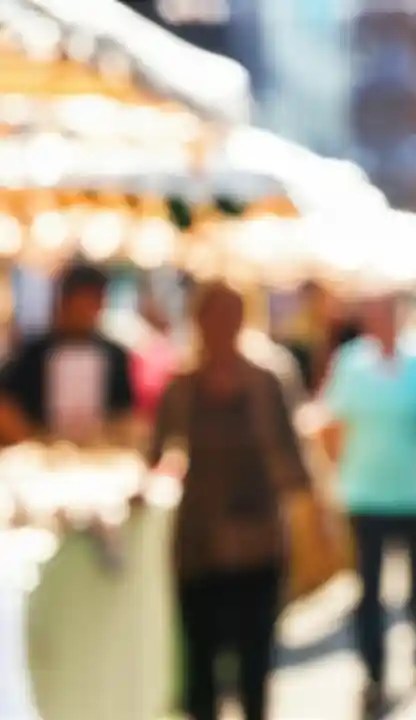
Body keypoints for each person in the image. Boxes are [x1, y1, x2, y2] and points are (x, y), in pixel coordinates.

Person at [149, 283, 310, 720]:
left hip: (258, 541)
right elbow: (155, 452)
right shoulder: (183, 384)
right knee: (201, 669)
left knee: (254, 665)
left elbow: (294, 460)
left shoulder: (267, 380)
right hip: (199, 545)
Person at [320, 293, 416, 712]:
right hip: (366, 494)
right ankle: (374, 674)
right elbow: (333, 421)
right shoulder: (351, 362)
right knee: (368, 591)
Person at [0, 264, 135, 445]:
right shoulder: (33, 354)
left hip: (100, 456)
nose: (86, 310)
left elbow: (124, 412)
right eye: (81, 301)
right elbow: (7, 403)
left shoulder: (115, 356)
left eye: (94, 302)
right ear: (63, 301)